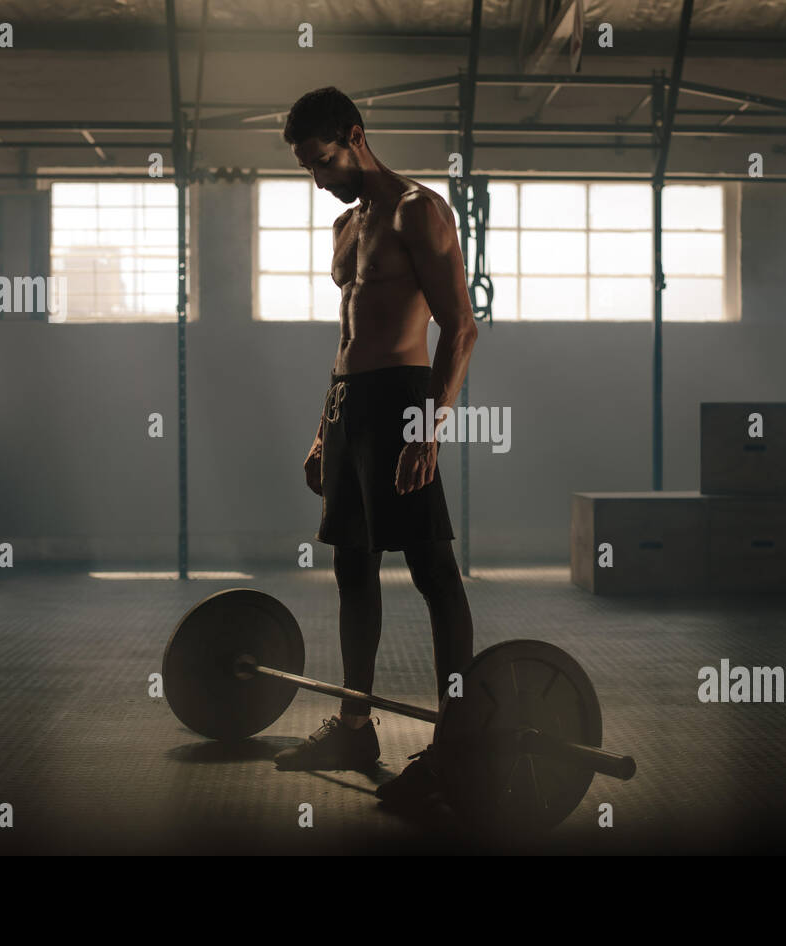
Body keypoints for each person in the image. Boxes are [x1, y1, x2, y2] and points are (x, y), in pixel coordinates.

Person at [274, 87, 478, 813]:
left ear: (354, 137)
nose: (317, 179)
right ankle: (356, 729)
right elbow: (346, 338)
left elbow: (461, 327)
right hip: (349, 406)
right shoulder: (346, 226)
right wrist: (323, 429)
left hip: (402, 402)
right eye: (306, 167)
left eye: (322, 161)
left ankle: (457, 741)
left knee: (433, 572)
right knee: (352, 569)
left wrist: (428, 428)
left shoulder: (419, 210)